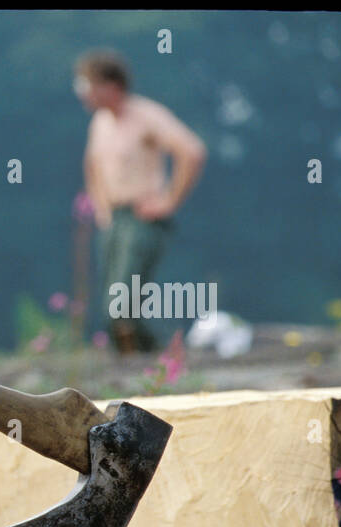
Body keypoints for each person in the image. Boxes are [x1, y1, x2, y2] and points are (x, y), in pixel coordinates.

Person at [74, 50, 207, 354]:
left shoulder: (146, 116)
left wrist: (170, 201)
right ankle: (139, 360)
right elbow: (92, 164)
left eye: (88, 85)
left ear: (111, 86)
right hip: (114, 219)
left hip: (141, 217)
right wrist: (101, 208)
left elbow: (192, 151)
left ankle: (158, 355)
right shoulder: (100, 121)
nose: (83, 93)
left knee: (122, 303)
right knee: (114, 303)